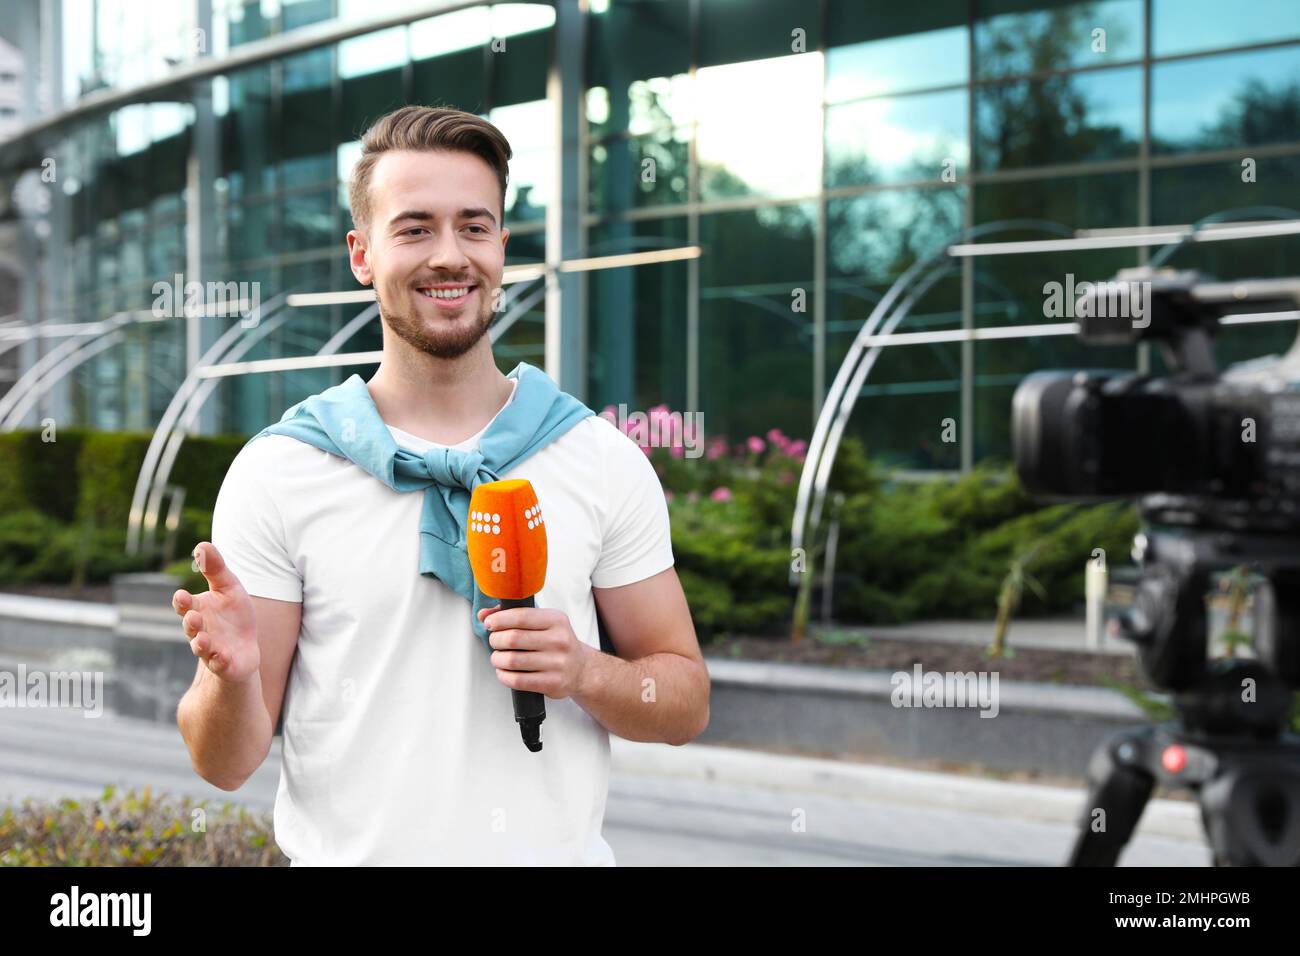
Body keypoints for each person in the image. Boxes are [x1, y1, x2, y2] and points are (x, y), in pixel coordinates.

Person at [172, 105, 709, 865]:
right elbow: (223, 763)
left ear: (502, 248)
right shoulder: (281, 470)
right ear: (362, 253)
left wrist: (586, 671)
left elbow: (682, 703)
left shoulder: (599, 457)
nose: (450, 256)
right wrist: (231, 681)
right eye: (415, 227)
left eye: (474, 226)